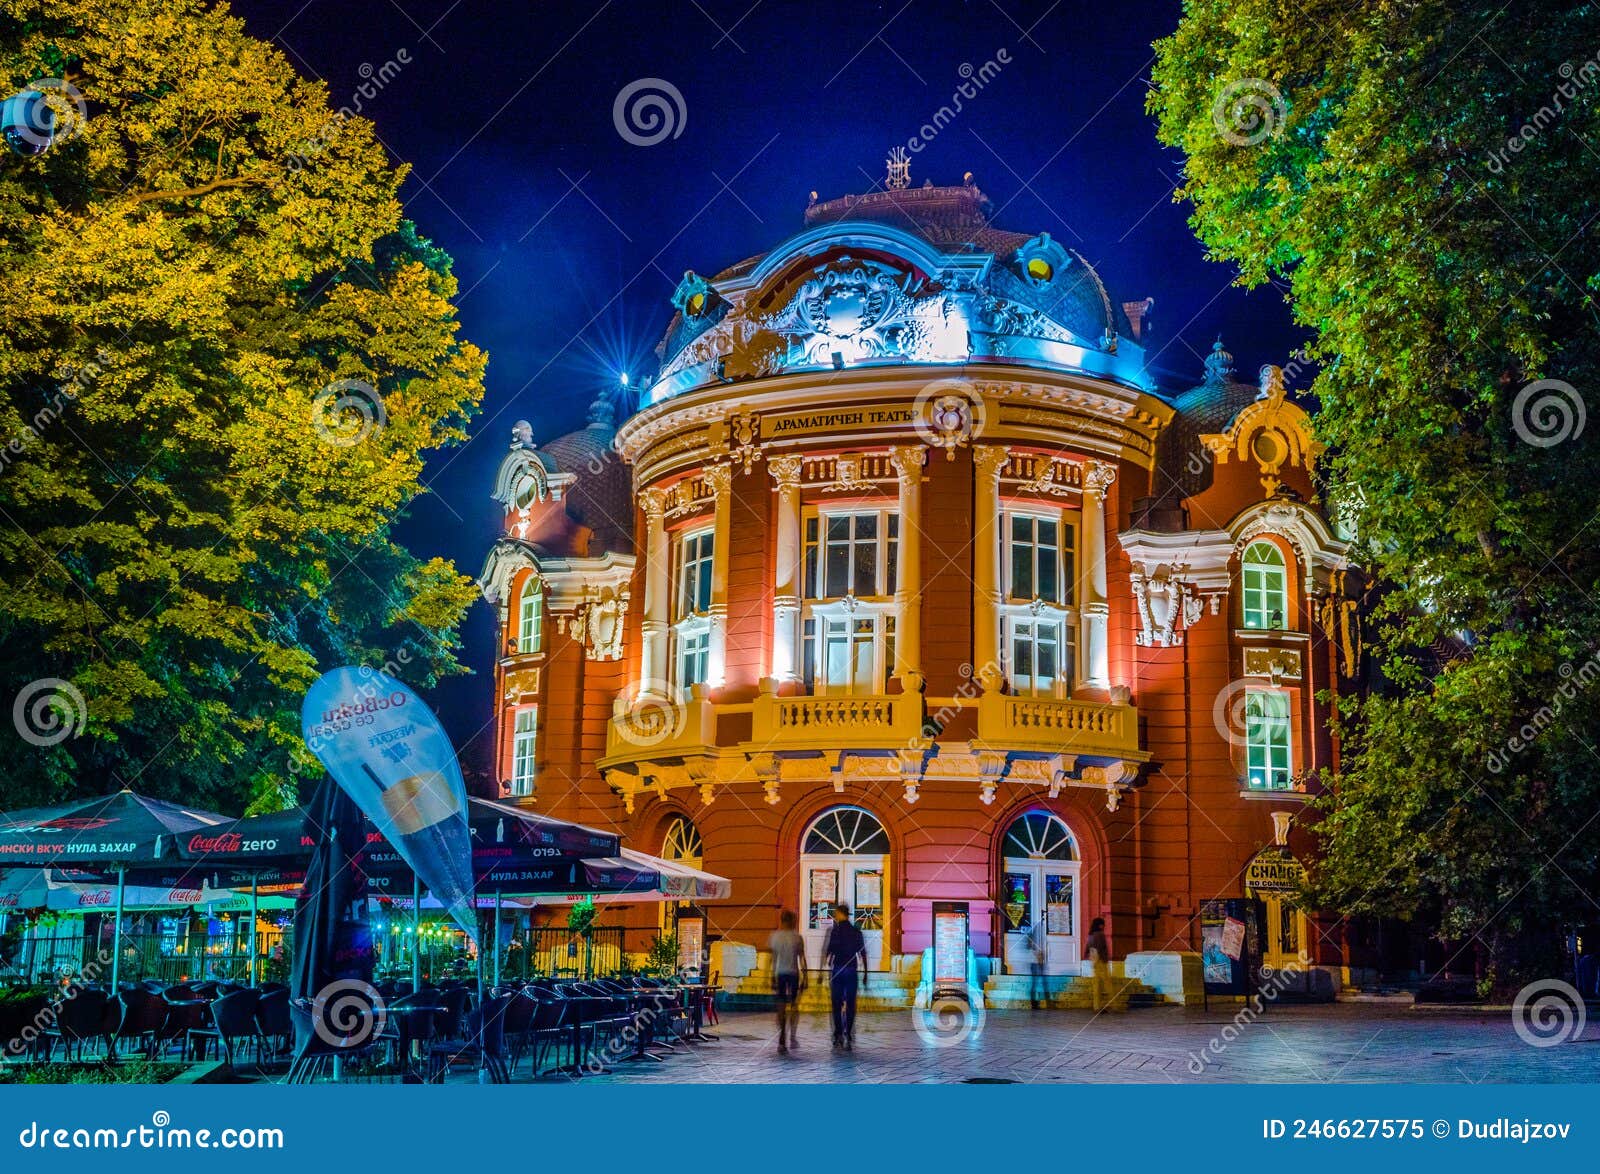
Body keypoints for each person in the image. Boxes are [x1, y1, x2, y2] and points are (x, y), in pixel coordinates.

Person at [821, 903, 868, 1049]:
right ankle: (848, 1033)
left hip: (838, 970)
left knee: (836, 1003)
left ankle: (838, 1034)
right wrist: (866, 973)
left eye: (836, 914)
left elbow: (829, 951)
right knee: (850, 1004)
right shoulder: (856, 932)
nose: (835, 916)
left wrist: (825, 965)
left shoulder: (835, 931)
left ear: (841, 914)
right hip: (851, 971)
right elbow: (863, 954)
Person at [768, 909, 807, 1052]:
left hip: (780, 974)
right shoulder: (797, 937)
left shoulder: (775, 937)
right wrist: (806, 976)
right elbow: (802, 958)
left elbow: (773, 959)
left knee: (781, 1007)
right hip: (794, 974)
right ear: (792, 921)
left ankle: (782, 1037)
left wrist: (771, 976)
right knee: (794, 1006)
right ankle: (792, 1035)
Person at [1086, 917, 1114, 1012]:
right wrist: (1105, 959)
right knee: (1107, 983)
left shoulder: (1091, 934)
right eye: (1103, 924)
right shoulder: (1100, 935)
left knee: (1096, 984)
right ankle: (1113, 1004)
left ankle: (1097, 1006)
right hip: (1101, 960)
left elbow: (1088, 947)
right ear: (1100, 925)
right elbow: (1101, 948)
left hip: (1093, 960)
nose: (1104, 926)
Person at [1027, 923, 1047, 1009]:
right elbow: (1032, 950)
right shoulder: (1033, 939)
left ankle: (1034, 1002)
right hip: (1035, 963)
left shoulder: (1034, 937)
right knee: (1036, 982)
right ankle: (1034, 1002)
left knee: (1036, 982)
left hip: (1036, 962)